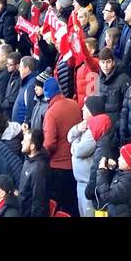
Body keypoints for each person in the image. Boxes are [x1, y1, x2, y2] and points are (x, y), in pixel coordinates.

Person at [42, 75, 82, 215]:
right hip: (76, 164)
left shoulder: (51, 113)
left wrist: (40, 155)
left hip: (58, 168)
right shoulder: (75, 104)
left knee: (61, 208)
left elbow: (50, 143)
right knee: (74, 205)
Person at [94, 142, 131, 217]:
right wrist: (110, 169)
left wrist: (101, 171)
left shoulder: (128, 182)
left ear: (129, 162)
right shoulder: (126, 173)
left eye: (122, 157)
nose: (118, 159)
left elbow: (106, 195)